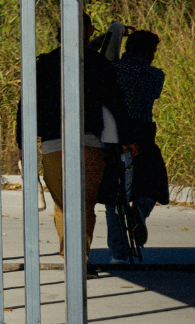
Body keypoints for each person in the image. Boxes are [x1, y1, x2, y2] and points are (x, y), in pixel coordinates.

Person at [19, 13, 133, 257]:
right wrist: (126, 137)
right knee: (84, 204)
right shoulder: (100, 65)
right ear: (89, 31)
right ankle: (80, 255)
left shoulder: (43, 64)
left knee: (64, 204)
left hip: (52, 143)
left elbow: (25, 105)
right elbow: (116, 103)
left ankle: (72, 253)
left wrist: (22, 142)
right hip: (90, 142)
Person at [105, 30, 167, 262]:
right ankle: (139, 212)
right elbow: (153, 94)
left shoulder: (112, 70)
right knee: (154, 181)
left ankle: (119, 253)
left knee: (114, 195)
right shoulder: (155, 75)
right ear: (148, 52)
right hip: (143, 134)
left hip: (116, 134)